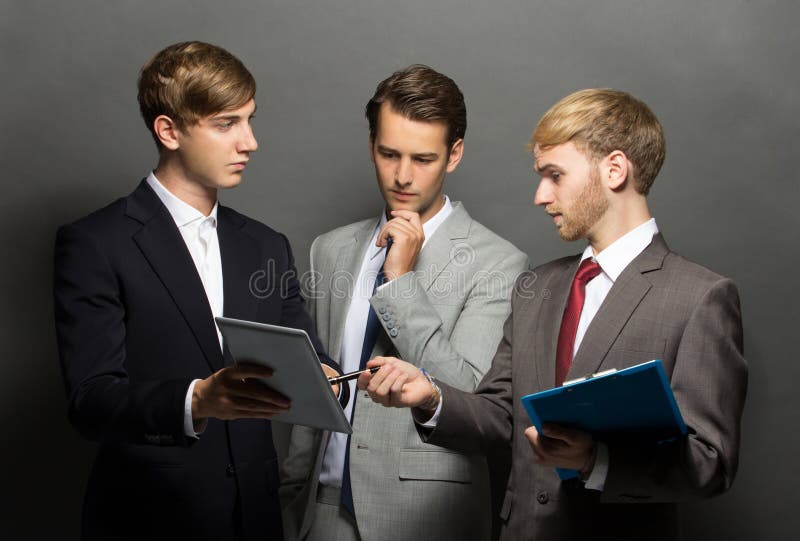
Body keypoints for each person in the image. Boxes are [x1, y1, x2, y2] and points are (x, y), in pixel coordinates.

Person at [358, 88, 748, 541]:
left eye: (555, 175)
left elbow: (711, 464)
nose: (540, 196)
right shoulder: (536, 287)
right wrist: (430, 396)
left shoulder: (700, 297)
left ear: (615, 170)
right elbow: (500, 417)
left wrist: (594, 460)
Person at [53, 41, 345, 541]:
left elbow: (308, 356)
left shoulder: (267, 245)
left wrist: (326, 379)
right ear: (168, 130)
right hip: (148, 518)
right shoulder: (95, 243)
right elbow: (91, 400)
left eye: (250, 120)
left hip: (255, 517)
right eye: (226, 123)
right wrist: (198, 400)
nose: (249, 142)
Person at [280, 65, 528, 541]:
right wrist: (293, 498)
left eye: (423, 158)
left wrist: (400, 280)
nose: (403, 176)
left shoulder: (500, 263)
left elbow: (471, 399)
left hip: (425, 518)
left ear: (453, 155)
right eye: (389, 153)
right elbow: (318, 386)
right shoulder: (328, 250)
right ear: (371, 144)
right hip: (321, 513)